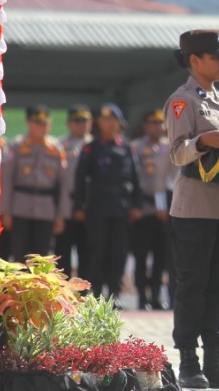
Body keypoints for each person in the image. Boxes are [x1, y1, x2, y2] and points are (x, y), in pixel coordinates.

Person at [164, 29, 219, 389]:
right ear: (194, 60)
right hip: (195, 205)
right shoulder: (181, 100)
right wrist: (201, 141)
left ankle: (215, 362)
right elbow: (176, 152)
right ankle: (188, 362)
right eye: (216, 57)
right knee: (193, 285)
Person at [72, 104, 143, 302]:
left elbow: (136, 179)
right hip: (97, 208)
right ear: (98, 123)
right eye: (105, 120)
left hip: (121, 208)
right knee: (96, 251)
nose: (109, 124)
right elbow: (80, 179)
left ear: (120, 123)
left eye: (113, 120)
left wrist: (137, 205)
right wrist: (78, 206)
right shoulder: (91, 148)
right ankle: (95, 295)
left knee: (118, 253)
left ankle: (115, 294)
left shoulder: (127, 148)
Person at [1, 105, 68, 261]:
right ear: (28, 123)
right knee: (19, 255)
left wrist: (60, 215)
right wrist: (6, 211)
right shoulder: (16, 146)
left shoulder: (56, 149)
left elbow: (63, 184)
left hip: (46, 209)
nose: (41, 127)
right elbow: (7, 180)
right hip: (20, 208)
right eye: (37, 123)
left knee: (42, 256)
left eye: (45, 123)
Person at [130, 109, 174, 310]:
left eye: (160, 123)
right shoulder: (136, 147)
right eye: (153, 123)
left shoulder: (170, 147)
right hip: (143, 209)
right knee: (141, 255)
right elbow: (133, 178)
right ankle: (141, 296)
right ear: (145, 126)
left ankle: (156, 295)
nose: (157, 127)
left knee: (161, 256)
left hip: (164, 210)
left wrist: (163, 206)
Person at [56, 104, 93, 276]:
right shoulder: (59, 146)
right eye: (76, 121)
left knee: (87, 252)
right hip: (65, 207)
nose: (81, 124)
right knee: (62, 253)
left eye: (84, 120)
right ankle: (65, 294)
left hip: (89, 209)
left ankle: (84, 293)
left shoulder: (96, 145)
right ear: (69, 123)